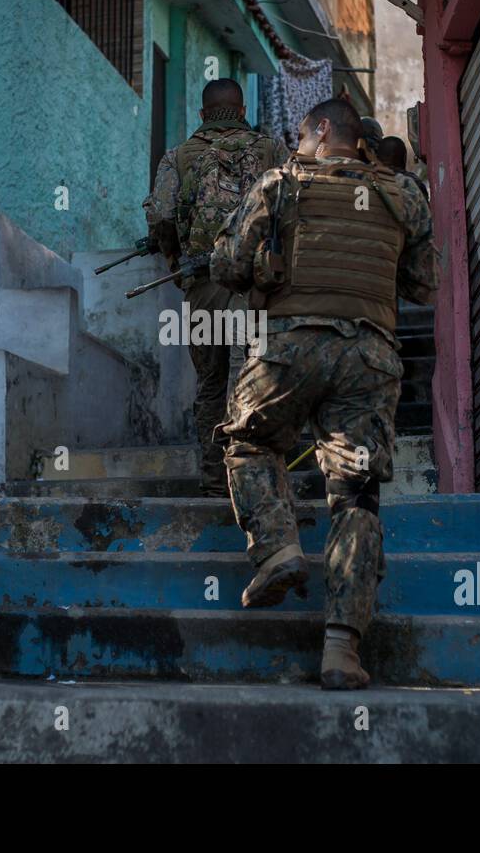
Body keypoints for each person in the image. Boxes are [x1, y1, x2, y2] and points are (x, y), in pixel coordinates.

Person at [210, 98, 437, 689]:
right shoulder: (403, 194)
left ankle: (280, 547)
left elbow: (229, 265)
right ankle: (342, 650)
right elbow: (422, 283)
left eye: (302, 133)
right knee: (355, 496)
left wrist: (262, 262)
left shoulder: (280, 184)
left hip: (288, 348)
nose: (298, 142)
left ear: (321, 130)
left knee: (249, 443)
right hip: (370, 357)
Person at [143, 79, 288, 497]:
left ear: (203, 115)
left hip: (205, 287)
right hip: (258, 287)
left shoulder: (180, 157)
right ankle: (259, 480)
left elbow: (163, 217)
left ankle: (213, 480)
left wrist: (180, 265)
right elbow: (294, 212)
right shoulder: (271, 150)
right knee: (258, 377)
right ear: (241, 110)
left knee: (211, 383)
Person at [376, 134, 431, 202]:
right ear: (404, 158)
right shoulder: (412, 182)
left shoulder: (368, 177)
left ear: (377, 157)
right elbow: (425, 210)